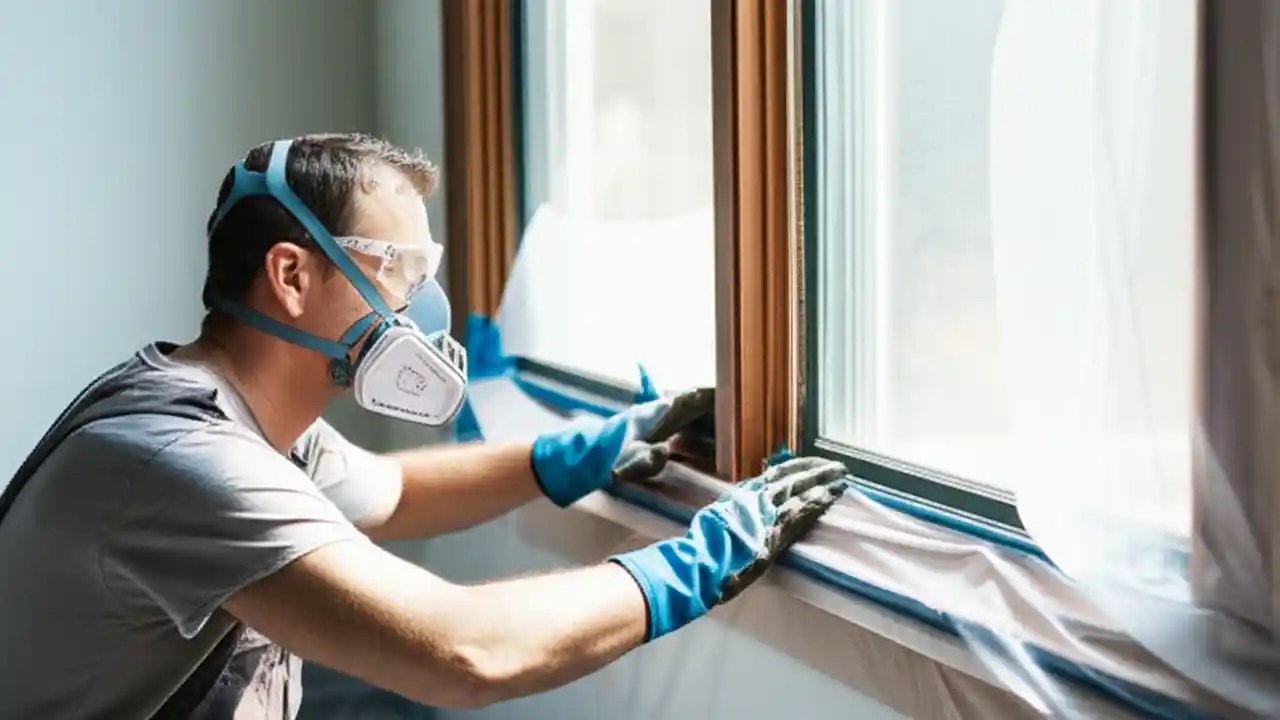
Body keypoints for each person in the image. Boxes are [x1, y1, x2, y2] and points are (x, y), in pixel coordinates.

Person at [0, 133, 849, 718]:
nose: (418, 307)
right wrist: (697, 565)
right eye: (397, 269)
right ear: (291, 276)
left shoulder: (239, 417)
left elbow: (395, 491)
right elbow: (461, 653)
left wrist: (577, 456)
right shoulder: (182, 463)